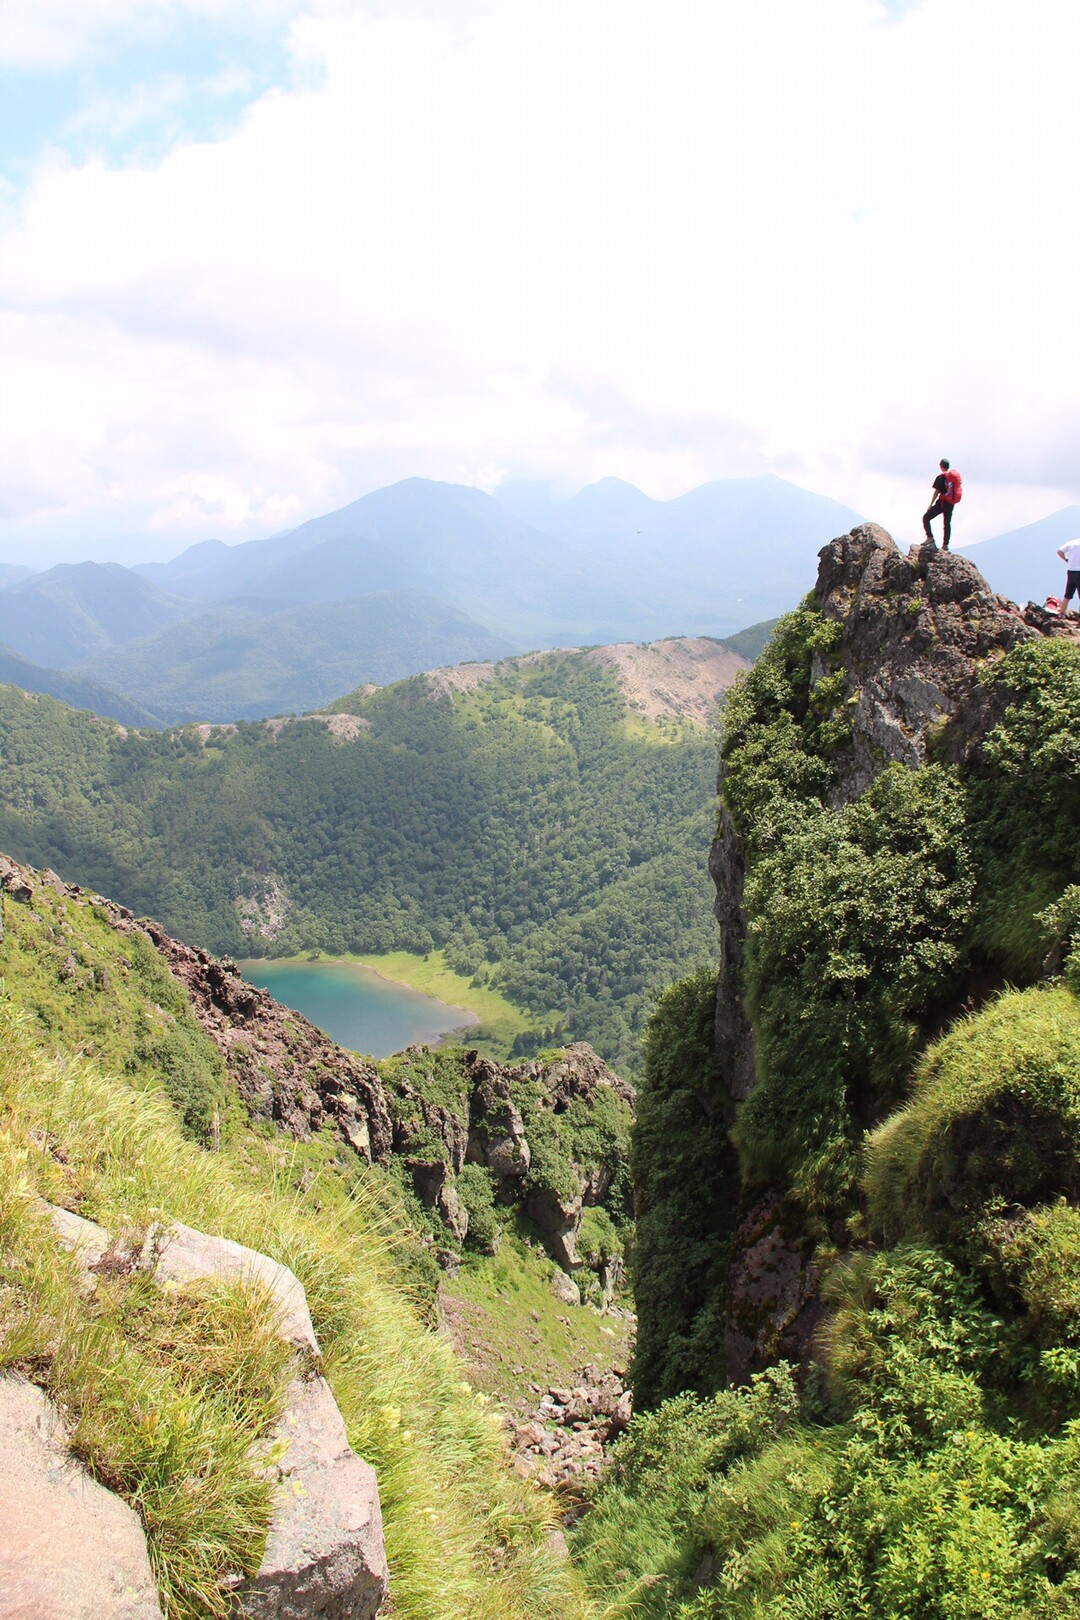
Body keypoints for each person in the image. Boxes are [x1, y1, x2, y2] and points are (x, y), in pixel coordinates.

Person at [923, 458, 961, 549]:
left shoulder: (941, 477)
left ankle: (930, 537)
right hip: (951, 503)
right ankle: (945, 545)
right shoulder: (953, 478)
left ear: (941, 466)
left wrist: (930, 505)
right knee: (947, 523)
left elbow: (936, 492)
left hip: (942, 502)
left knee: (926, 517)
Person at [1056, 536, 1080, 617]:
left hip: (1071, 571)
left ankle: (1061, 614)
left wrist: (1066, 560)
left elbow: (1059, 551)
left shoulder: (1071, 543)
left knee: (1067, 595)